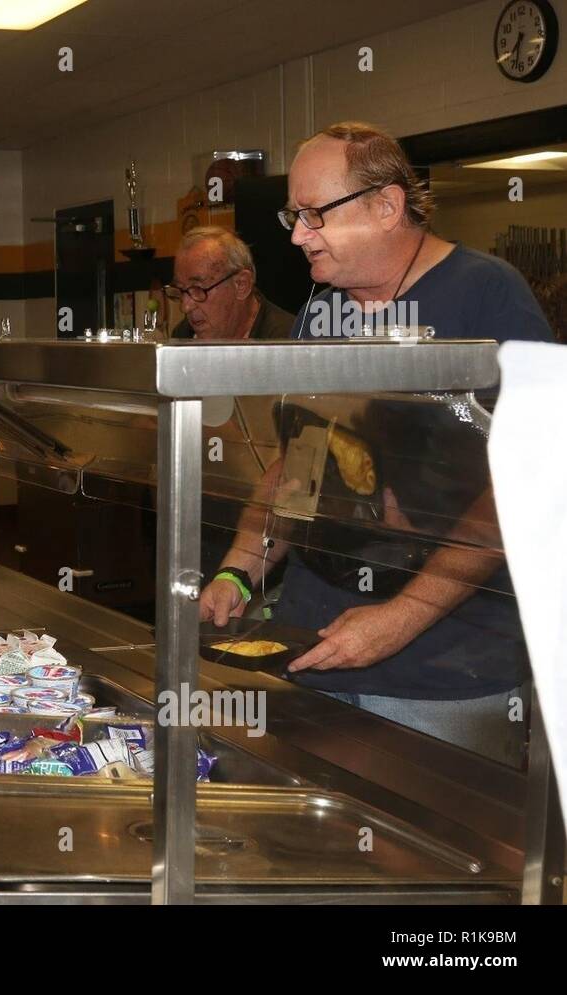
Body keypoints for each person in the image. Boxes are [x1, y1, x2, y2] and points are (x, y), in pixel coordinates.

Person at [199, 121, 553, 767]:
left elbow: (528, 479)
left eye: (314, 214)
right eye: (293, 215)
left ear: (386, 205)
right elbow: (302, 456)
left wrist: (400, 617)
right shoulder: (320, 311)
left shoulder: (486, 295)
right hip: (311, 642)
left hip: (441, 668)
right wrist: (240, 566)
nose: (299, 235)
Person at [168, 227, 293, 340]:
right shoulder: (184, 335)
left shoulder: (287, 342)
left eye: (198, 289)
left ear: (241, 285)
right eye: (180, 290)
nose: (185, 307)